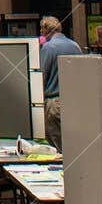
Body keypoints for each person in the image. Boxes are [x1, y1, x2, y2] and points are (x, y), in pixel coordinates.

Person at [39, 16, 81, 150]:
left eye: (42, 29)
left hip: (54, 103)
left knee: (55, 145)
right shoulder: (75, 46)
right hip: (74, 101)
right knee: (72, 143)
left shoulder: (48, 47)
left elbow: (42, 76)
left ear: (46, 30)